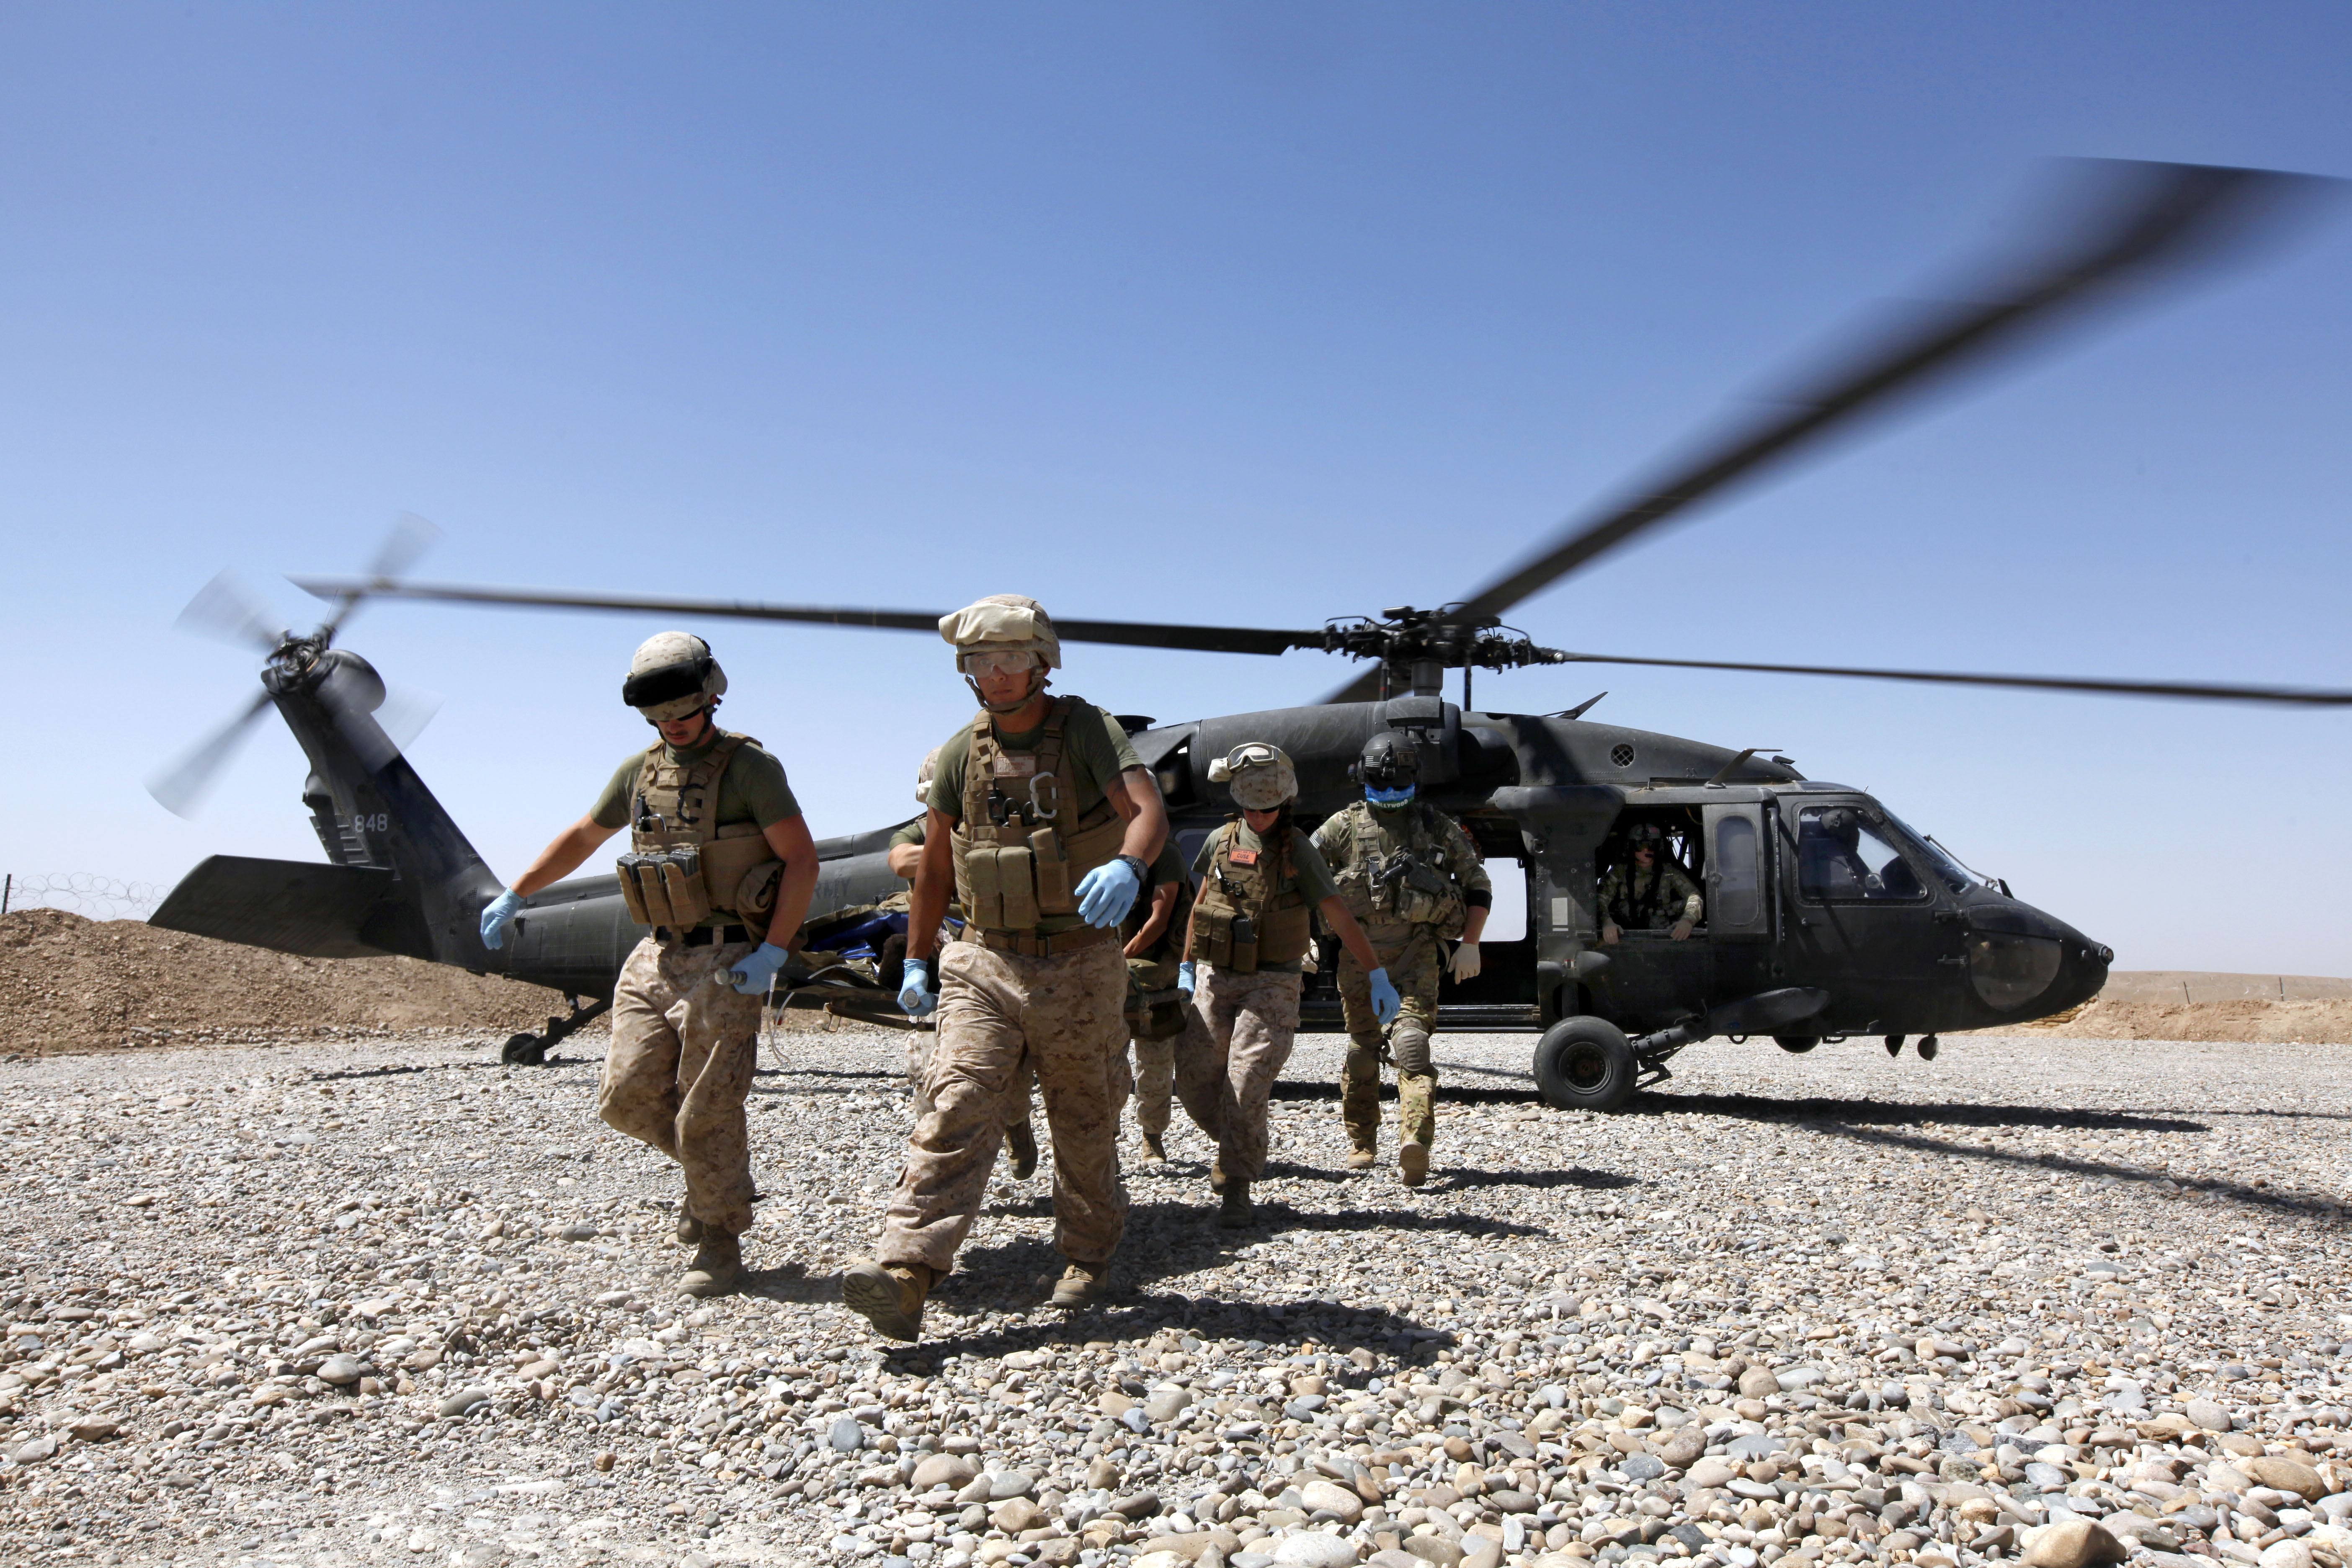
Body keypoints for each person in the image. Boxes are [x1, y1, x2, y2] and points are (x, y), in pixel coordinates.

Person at [842, 595, 1168, 1341]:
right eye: (980, 662)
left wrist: (1129, 862)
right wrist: (919, 957)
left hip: (1080, 961)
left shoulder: (1086, 729)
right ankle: (906, 1270)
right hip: (984, 959)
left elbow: (1145, 807)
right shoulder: (962, 751)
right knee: (956, 1103)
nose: (996, 674)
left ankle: (1088, 1253)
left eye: (1011, 658)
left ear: (1041, 661)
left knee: (1083, 1118)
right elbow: (932, 869)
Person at [478, 633, 818, 1297]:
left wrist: (774, 950)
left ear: (712, 693)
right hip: (658, 951)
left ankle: (720, 1237)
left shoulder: (751, 769)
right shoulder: (641, 771)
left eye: (682, 712)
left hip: (727, 955)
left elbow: (801, 861)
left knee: (707, 1110)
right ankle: (716, 1182)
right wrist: (519, 888)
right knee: (626, 1099)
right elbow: (584, 834)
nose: (671, 725)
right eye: (657, 715)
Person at [1173, 743, 1396, 1226]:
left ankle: (1237, 1182)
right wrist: (1186, 966)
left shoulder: (1300, 851)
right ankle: (1238, 1142)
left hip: (1273, 981)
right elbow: (1199, 905)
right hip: (1217, 976)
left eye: (1268, 809)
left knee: (1246, 1082)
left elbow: (1338, 912)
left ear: (1285, 804)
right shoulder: (1220, 840)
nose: (1259, 818)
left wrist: (1375, 970)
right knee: (1193, 1082)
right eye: (1251, 809)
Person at [1312, 730, 1491, 1187]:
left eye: (1399, 785)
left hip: (1416, 955)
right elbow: (1304, 879)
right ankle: (1362, 1141)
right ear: (1361, 779)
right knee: (1362, 1052)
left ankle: (1415, 1141)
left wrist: (1471, 940)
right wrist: (1301, 940)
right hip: (1359, 957)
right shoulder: (1341, 827)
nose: (1390, 795)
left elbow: (1477, 882)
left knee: (1412, 1046)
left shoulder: (1435, 826)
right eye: (1380, 785)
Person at [890, 746, 1039, 1180]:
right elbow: (901, 860)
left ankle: (1016, 1126)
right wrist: (961, 855)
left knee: (1007, 1069)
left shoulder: (998, 821)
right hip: (937, 967)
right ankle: (932, 1175)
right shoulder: (919, 831)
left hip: (992, 962)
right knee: (930, 1078)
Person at [1122, 838, 1219, 1163]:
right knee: (1104, 1061)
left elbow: (1159, 921)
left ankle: (1152, 1136)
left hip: (1155, 973)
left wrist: (1117, 958)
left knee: (1156, 1063)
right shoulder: (1098, 844)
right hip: (1109, 970)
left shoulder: (1164, 853)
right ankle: (1104, 1140)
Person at [1599, 822, 1703, 942]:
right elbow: (1601, 899)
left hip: (1662, 936)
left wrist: (1687, 921)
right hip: (1625, 936)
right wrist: (1607, 923)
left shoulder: (1668, 872)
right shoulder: (1619, 873)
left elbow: (1694, 896)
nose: (1647, 849)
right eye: (1640, 845)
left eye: (1652, 844)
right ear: (1631, 847)